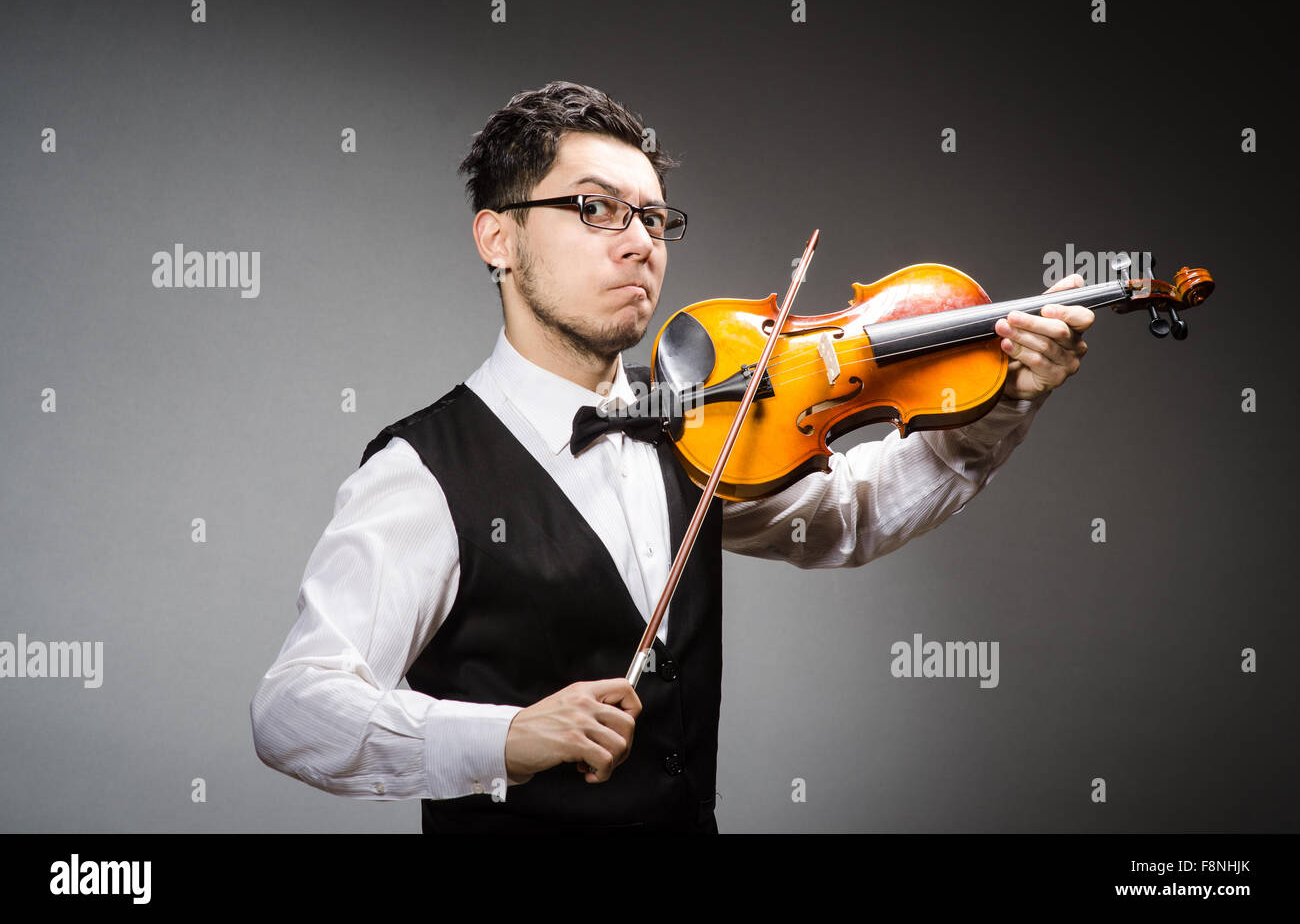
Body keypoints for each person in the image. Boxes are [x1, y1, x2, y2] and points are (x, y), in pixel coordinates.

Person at [249, 80, 1093, 833]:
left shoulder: (693, 426)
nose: (639, 242)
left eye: (653, 218)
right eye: (594, 208)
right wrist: (504, 738)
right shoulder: (422, 471)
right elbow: (293, 709)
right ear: (498, 238)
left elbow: (850, 519)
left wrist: (1004, 399)